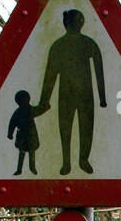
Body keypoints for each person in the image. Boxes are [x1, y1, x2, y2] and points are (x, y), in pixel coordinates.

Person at [36, 9, 107, 175]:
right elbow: (50, 75)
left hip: (84, 94)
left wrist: (102, 97)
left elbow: (99, 70)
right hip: (67, 95)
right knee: (67, 128)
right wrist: (44, 100)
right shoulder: (59, 46)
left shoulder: (87, 43)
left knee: (84, 128)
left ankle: (82, 160)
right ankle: (67, 162)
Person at [7, 90, 39, 174]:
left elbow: (38, 111)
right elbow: (12, 123)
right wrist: (10, 134)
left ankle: (32, 168)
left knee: (31, 152)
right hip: (22, 136)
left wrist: (45, 107)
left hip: (31, 135)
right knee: (22, 152)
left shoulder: (30, 109)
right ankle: (19, 170)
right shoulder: (18, 112)